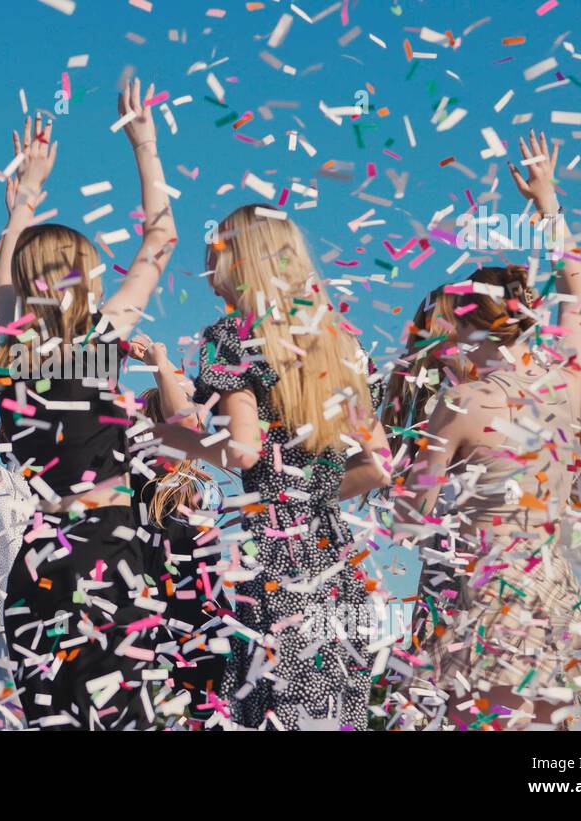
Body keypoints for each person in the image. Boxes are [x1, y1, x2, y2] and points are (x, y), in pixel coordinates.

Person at [384, 132, 581, 730]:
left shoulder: (459, 404)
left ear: (466, 331)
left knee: (485, 719)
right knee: (551, 720)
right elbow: (578, 291)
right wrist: (547, 202)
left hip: (483, 591)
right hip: (555, 582)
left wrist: (383, 453)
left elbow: (408, 517)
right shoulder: (566, 383)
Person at [152, 203, 392, 730]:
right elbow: (378, 468)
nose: (209, 276)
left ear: (242, 263)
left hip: (272, 560)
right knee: (329, 706)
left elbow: (244, 452)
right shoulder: (342, 344)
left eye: (215, 258)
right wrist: (314, 494)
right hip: (333, 561)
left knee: (273, 703)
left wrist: (177, 440)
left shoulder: (231, 339)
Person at [0, 79, 179, 730]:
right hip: (105, 552)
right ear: (86, 276)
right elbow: (161, 240)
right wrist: (143, 141)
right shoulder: (99, 345)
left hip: (39, 561)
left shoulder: (8, 359)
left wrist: (24, 201)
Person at [128, 331, 228, 726]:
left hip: (202, 616)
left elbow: (186, 406)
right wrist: (157, 359)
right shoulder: (146, 473)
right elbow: (184, 412)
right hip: (171, 620)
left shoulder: (197, 478)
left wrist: (157, 361)